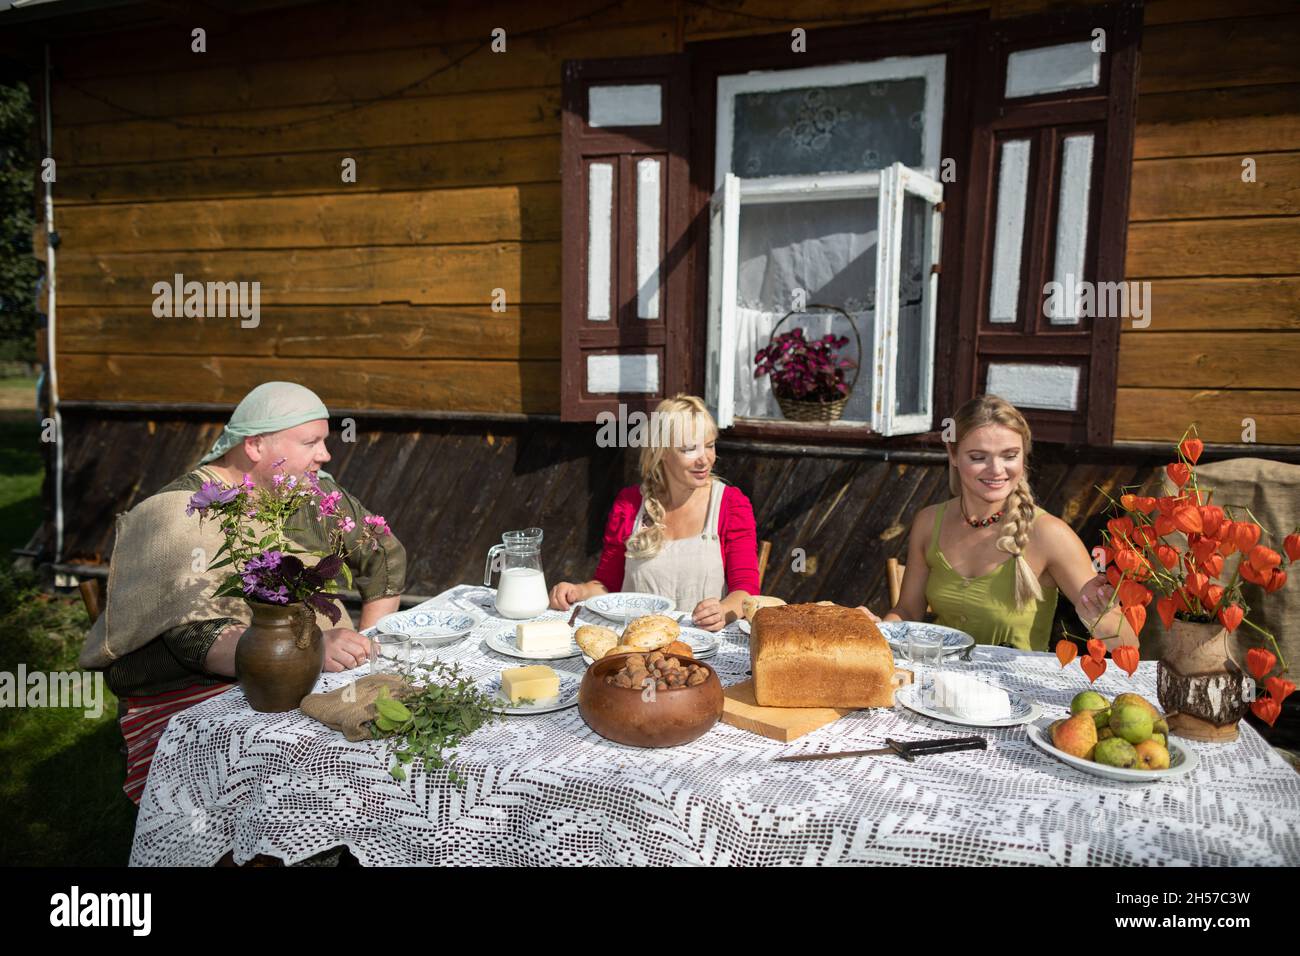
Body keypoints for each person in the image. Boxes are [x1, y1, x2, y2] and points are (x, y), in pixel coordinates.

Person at [79, 382, 405, 804]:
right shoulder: (178, 515)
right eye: (311, 442)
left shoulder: (310, 493)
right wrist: (310, 651)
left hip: (310, 672)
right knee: (338, 777)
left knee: (394, 745)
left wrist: (366, 646)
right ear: (253, 445)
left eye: (324, 440)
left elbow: (383, 556)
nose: (326, 454)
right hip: (198, 693)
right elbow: (195, 637)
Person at [873, 394, 1133, 652]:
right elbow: (907, 610)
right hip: (942, 684)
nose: (996, 469)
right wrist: (876, 630)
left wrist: (1099, 620)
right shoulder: (928, 522)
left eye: (1009, 455)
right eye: (978, 457)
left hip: (1016, 690)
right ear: (953, 454)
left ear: (1023, 456)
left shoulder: (1049, 534)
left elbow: (1127, 644)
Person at [548, 394, 758, 631]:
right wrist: (579, 591)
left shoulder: (731, 504)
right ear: (663, 453)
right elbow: (608, 585)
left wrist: (724, 612)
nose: (705, 459)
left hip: (704, 648)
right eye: (689, 449)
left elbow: (746, 590)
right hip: (638, 643)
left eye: (709, 445)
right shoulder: (629, 504)